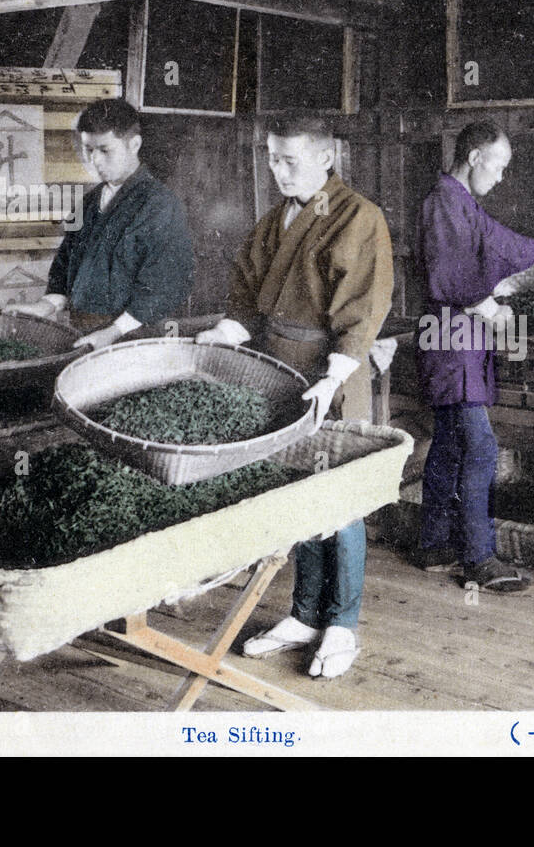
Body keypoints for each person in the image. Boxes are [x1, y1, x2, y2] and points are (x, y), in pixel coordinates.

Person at [196, 115, 393, 680]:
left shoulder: (360, 217)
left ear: (327, 156)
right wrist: (223, 334)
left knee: (340, 498)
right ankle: (304, 614)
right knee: (294, 490)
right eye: (273, 159)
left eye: (291, 160)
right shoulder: (272, 222)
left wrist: (332, 379)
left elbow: (362, 312)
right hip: (279, 373)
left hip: (333, 374)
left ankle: (342, 624)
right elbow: (246, 304)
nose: (278, 170)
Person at [411, 120, 534, 591]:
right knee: (480, 447)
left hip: (457, 338)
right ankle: (478, 558)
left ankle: (434, 544)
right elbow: (448, 275)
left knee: (447, 442)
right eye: (498, 166)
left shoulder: (461, 202)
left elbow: (499, 239)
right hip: (450, 339)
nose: (500, 177)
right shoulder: (443, 202)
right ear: (475, 156)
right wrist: (490, 308)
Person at [4, 98, 192, 349]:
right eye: (88, 149)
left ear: (134, 144)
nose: (95, 161)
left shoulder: (160, 205)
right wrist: (44, 306)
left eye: (105, 150)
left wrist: (114, 332)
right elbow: (64, 264)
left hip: (135, 338)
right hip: (84, 331)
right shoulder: (88, 203)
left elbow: (164, 286)